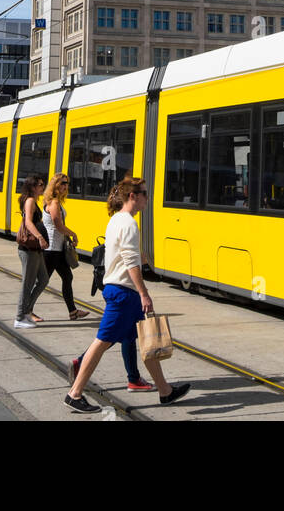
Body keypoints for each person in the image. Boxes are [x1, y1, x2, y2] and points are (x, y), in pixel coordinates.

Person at [65, 176, 190, 413]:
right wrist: (144, 293)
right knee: (101, 342)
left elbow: (123, 255)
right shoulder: (130, 224)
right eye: (144, 193)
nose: (147, 197)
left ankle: (164, 391)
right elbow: (131, 262)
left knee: (146, 340)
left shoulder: (117, 220)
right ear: (132, 196)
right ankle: (75, 393)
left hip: (121, 290)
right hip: (124, 292)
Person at [41, 173, 89, 321]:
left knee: (67, 277)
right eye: (62, 183)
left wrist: (67, 236)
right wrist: (73, 234)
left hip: (57, 248)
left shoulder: (56, 202)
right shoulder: (54, 203)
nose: (65, 186)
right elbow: (58, 225)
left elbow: (59, 226)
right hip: (51, 250)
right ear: (55, 185)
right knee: (42, 282)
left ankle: (73, 311)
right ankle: (26, 310)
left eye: (67, 183)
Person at [15, 175, 50, 329]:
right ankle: (20, 317)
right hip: (28, 248)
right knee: (27, 283)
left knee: (43, 279)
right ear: (33, 187)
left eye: (43, 184)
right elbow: (28, 222)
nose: (43, 187)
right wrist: (40, 237)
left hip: (35, 249)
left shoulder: (34, 201)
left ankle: (27, 310)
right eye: (40, 185)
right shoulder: (29, 201)